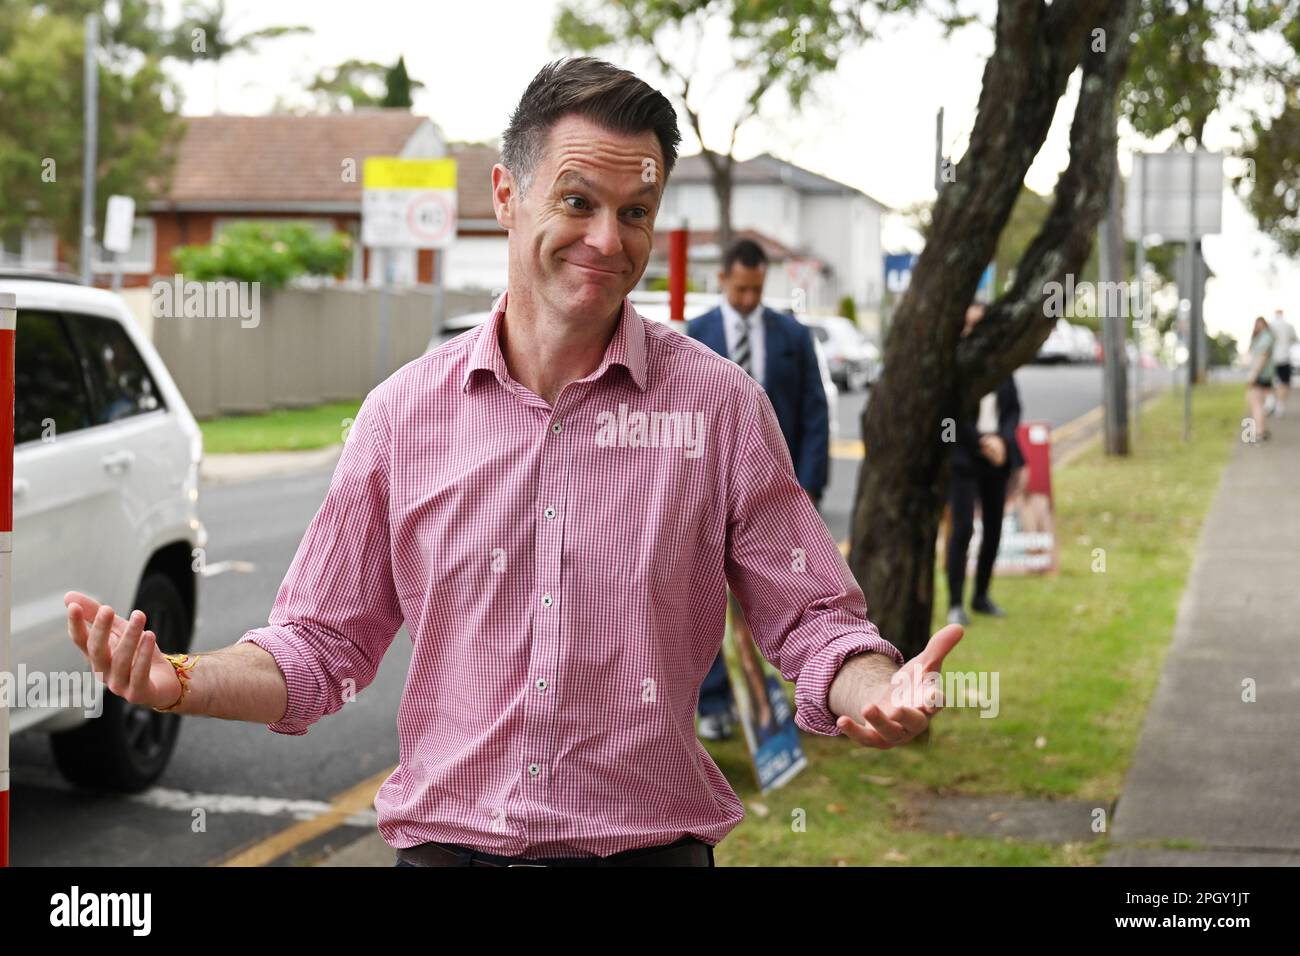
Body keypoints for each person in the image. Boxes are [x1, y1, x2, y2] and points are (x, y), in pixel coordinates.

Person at [62, 56, 962, 869]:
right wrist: (175, 682)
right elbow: (316, 646)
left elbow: (812, 620)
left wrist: (873, 685)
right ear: (505, 195)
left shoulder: (720, 410)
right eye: (577, 202)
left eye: (635, 212)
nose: (608, 240)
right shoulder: (400, 416)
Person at [687, 238, 830, 740]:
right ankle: (716, 704)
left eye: (757, 289)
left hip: (777, 497)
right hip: (709, 494)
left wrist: (809, 487)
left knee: (781, 598)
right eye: (741, 288)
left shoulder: (791, 335)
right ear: (724, 279)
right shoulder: (696, 334)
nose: (749, 298)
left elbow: (815, 412)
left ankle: (779, 704)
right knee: (704, 603)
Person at [946, 303, 1024, 627]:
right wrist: (981, 442)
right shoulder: (955, 365)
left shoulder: (999, 365)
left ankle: (981, 595)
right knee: (962, 528)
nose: (972, 331)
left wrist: (1003, 442)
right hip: (966, 456)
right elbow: (952, 416)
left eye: (978, 324)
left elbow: (1013, 409)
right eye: (967, 324)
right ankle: (955, 602)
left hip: (998, 455)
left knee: (994, 527)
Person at [1247, 315, 1275, 441]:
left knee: (1255, 403)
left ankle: (1259, 431)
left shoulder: (1265, 337)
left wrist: (1254, 374)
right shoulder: (1261, 337)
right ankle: (1261, 429)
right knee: (1258, 403)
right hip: (1263, 373)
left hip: (1261, 374)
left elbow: (1263, 356)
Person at [1270, 309, 1295, 416]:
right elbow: (1294, 339)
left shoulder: (1270, 326)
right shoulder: (1288, 326)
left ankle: (1271, 401)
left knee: (1271, 382)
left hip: (1272, 358)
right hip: (1284, 358)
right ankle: (1280, 405)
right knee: (1284, 383)